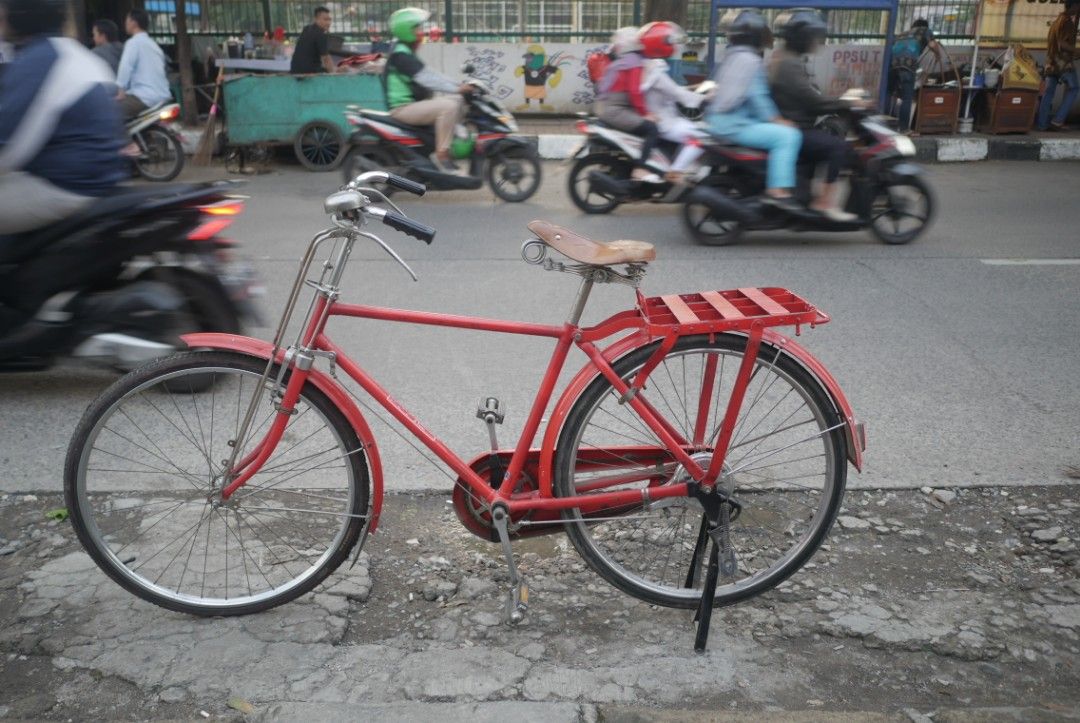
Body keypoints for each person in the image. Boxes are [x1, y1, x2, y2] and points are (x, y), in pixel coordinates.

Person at [0, 0, 124, 237]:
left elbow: (9, 147)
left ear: (19, 14)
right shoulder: (78, 53)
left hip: (65, 185)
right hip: (102, 177)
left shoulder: (39, 60)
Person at [705, 10, 801, 212]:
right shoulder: (751, 61)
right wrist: (776, 119)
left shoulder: (730, 57)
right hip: (734, 125)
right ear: (756, 36)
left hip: (719, 121)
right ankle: (778, 192)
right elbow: (758, 96)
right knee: (788, 136)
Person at [769, 10, 861, 221]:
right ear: (803, 38)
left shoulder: (788, 58)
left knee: (828, 138)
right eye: (813, 37)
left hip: (796, 123)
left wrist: (839, 101)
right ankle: (824, 203)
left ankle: (810, 194)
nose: (816, 42)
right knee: (838, 147)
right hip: (796, 127)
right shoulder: (789, 64)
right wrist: (846, 103)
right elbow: (812, 100)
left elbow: (812, 93)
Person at [383, 7, 473, 172]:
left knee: (458, 101)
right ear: (406, 30)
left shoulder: (405, 51)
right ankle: (441, 154)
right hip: (402, 108)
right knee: (449, 107)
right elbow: (427, 79)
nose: (421, 32)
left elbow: (431, 74)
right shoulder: (400, 55)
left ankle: (450, 139)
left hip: (413, 105)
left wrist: (457, 86)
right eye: (417, 28)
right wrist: (458, 88)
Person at [637, 21, 708, 184]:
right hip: (665, 122)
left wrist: (693, 88)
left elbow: (672, 89)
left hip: (663, 117)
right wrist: (705, 98)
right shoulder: (656, 71)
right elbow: (676, 93)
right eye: (670, 41)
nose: (674, 45)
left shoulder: (649, 66)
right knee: (702, 138)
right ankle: (675, 172)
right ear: (660, 44)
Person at [595, 26, 662, 182]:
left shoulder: (623, 61)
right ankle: (640, 169)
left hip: (607, 107)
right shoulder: (634, 62)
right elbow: (635, 92)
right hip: (615, 110)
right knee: (652, 129)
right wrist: (646, 114)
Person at [115, 8, 171, 119]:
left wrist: (120, 90)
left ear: (134, 23)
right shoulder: (154, 45)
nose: (125, 23)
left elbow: (126, 67)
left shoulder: (133, 43)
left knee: (108, 110)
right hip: (163, 95)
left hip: (144, 97)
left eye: (127, 20)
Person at [889, 19, 941, 132]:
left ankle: (887, 126)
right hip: (908, 66)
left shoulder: (903, 34)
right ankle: (903, 129)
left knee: (891, 95)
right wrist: (938, 55)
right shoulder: (926, 30)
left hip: (892, 66)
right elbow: (933, 45)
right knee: (907, 98)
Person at [1037, 0, 1080, 131]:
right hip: (1062, 63)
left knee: (1049, 93)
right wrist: (1076, 50)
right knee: (1074, 89)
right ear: (1074, 6)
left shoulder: (1057, 21)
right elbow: (1062, 44)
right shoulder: (1067, 22)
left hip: (1051, 63)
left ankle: (1042, 124)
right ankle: (1058, 120)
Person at [290, 5, 337, 74]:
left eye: (329, 19)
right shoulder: (321, 34)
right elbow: (326, 59)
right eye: (325, 19)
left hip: (295, 70)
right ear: (316, 19)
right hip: (309, 72)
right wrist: (335, 73)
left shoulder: (306, 29)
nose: (328, 23)